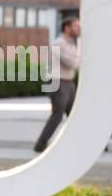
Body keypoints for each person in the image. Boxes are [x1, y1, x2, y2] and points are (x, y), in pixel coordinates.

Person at [34, 14, 80, 152]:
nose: (79, 29)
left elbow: (75, 62)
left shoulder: (71, 44)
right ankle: (40, 144)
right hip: (57, 82)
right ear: (67, 28)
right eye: (76, 26)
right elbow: (72, 63)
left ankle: (74, 143)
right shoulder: (59, 43)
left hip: (67, 82)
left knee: (74, 114)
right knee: (57, 115)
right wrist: (79, 59)